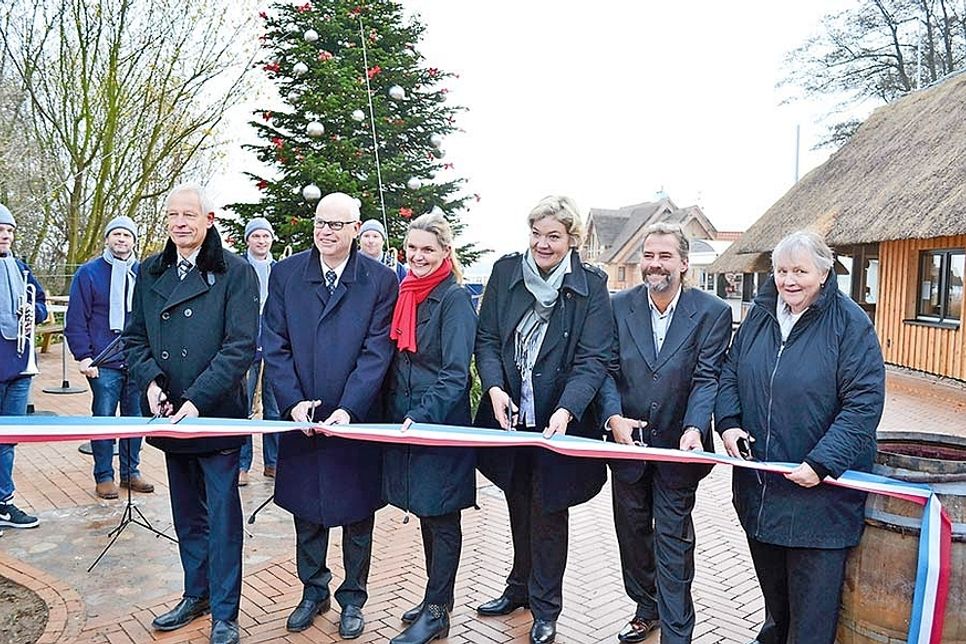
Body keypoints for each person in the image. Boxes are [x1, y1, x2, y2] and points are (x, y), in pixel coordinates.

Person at [715, 231, 884, 644]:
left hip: (819, 500)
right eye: (782, 271)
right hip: (761, 492)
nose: (789, 280)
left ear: (824, 274)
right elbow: (730, 372)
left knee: (811, 621)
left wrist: (821, 463)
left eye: (800, 272)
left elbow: (863, 404)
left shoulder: (851, 324)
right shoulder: (760, 314)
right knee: (777, 607)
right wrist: (729, 422)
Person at [474, 195, 614, 644]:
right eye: (536, 234)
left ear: (572, 239)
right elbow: (487, 339)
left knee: (549, 509)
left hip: (559, 417)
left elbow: (594, 358)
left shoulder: (591, 285)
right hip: (512, 412)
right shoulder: (505, 272)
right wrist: (495, 388)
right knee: (517, 499)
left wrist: (567, 409)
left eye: (553, 236)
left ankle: (546, 606)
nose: (542, 244)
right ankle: (519, 587)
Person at [124, 184, 258, 644]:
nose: (179, 223)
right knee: (186, 515)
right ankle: (195, 594)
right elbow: (135, 338)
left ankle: (225, 611)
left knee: (222, 518)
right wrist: (151, 383)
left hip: (214, 415)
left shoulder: (236, 272)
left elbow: (240, 346)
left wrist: (196, 400)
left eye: (189, 215)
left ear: (209, 219)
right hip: (170, 416)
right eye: (172, 215)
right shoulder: (150, 271)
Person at [263, 192, 397, 639]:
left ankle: (353, 598)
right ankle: (313, 591)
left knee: (358, 514)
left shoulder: (380, 280)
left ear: (356, 229)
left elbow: (377, 351)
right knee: (306, 510)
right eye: (321, 222)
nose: (325, 231)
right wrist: (292, 402)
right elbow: (275, 343)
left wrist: (349, 408)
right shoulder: (286, 274)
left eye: (337, 225)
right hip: (302, 416)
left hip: (354, 417)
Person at [598, 223, 732, 644]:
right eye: (649, 256)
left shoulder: (712, 312)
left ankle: (677, 632)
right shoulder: (617, 307)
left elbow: (707, 378)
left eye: (665, 256)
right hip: (627, 447)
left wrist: (695, 427)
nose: (655, 264)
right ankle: (646, 608)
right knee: (633, 536)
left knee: (673, 540)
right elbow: (606, 370)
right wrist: (613, 417)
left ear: (684, 263)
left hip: (679, 448)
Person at [382, 211, 477, 644]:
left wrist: (421, 415)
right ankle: (434, 597)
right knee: (426, 511)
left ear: (445, 252)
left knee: (442, 516)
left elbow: (455, 374)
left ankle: (438, 612)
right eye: (412, 248)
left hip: (439, 426)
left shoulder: (454, 299)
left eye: (428, 249)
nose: (418, 256)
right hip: (409, 422)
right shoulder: (408, 291)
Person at [66, 215, 155, 500]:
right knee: (104, 417)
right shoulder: (89, 273)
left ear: (134, 241)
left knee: (135, 419)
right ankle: (104, 476)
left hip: (136, 360)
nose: (121, 239)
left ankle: (130, 472)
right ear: (107, 239)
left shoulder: (143, 273)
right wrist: (83, 356)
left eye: (127, 235)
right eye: (116, 234)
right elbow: (76, 318)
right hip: (103, 362)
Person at [0, 203, 45, 530]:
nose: (5, 236)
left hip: (20, 367)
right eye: (0, 230)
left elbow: (40, 303)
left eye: (9, 231)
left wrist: (34, 314)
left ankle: (3, 501)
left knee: (8, 439)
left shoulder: (21, 268)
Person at [238, 216, 280, 485]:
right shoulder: (239, 268)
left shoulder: (279, 269)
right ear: (248, 240)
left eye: (265, 236)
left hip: (273, 349)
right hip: (246, 349)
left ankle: (273, 462)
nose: (261, 241)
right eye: (256, 236)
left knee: (273, 409)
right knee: (244, 408)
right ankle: (242, 464)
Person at [358, 218, 407, 282]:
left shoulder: (398, 269)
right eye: (366, 236)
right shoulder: (349, 263)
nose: (371, 241)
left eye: (375, 236)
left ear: (383, 241)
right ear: (359, 240)